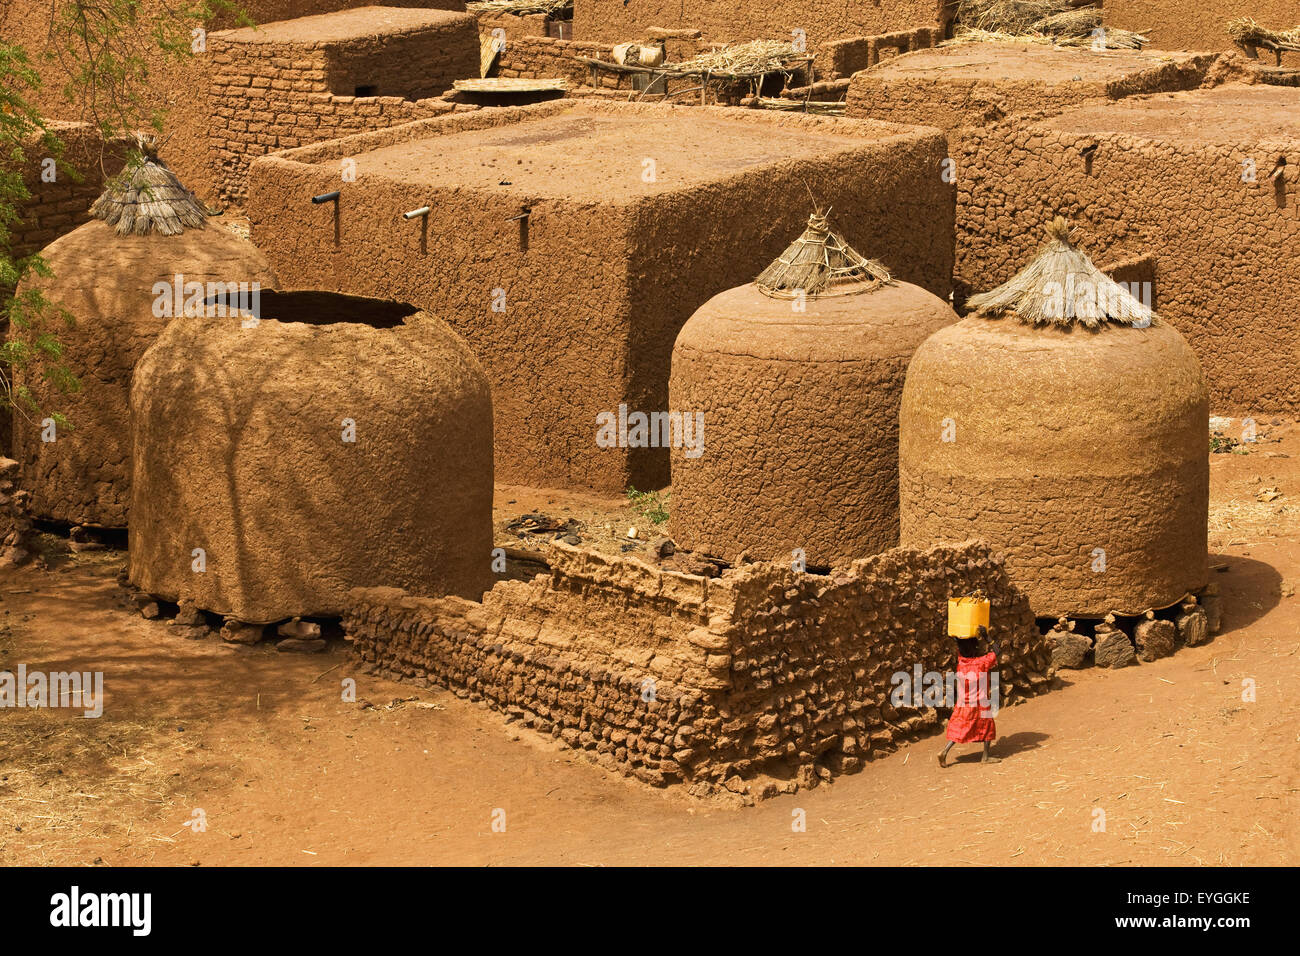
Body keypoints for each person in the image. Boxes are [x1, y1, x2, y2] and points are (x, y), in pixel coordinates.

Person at [938, 625, 1000, 767]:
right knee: (988, 727)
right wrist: (987, 637)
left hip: (963, 703)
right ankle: (985, 756)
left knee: (960, 728)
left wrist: (958, 635)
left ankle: (944, 751)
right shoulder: (981, 663)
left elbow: (961, 646)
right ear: (975, 649)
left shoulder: (961, 662)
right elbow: (997, 651)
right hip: (980, 703)